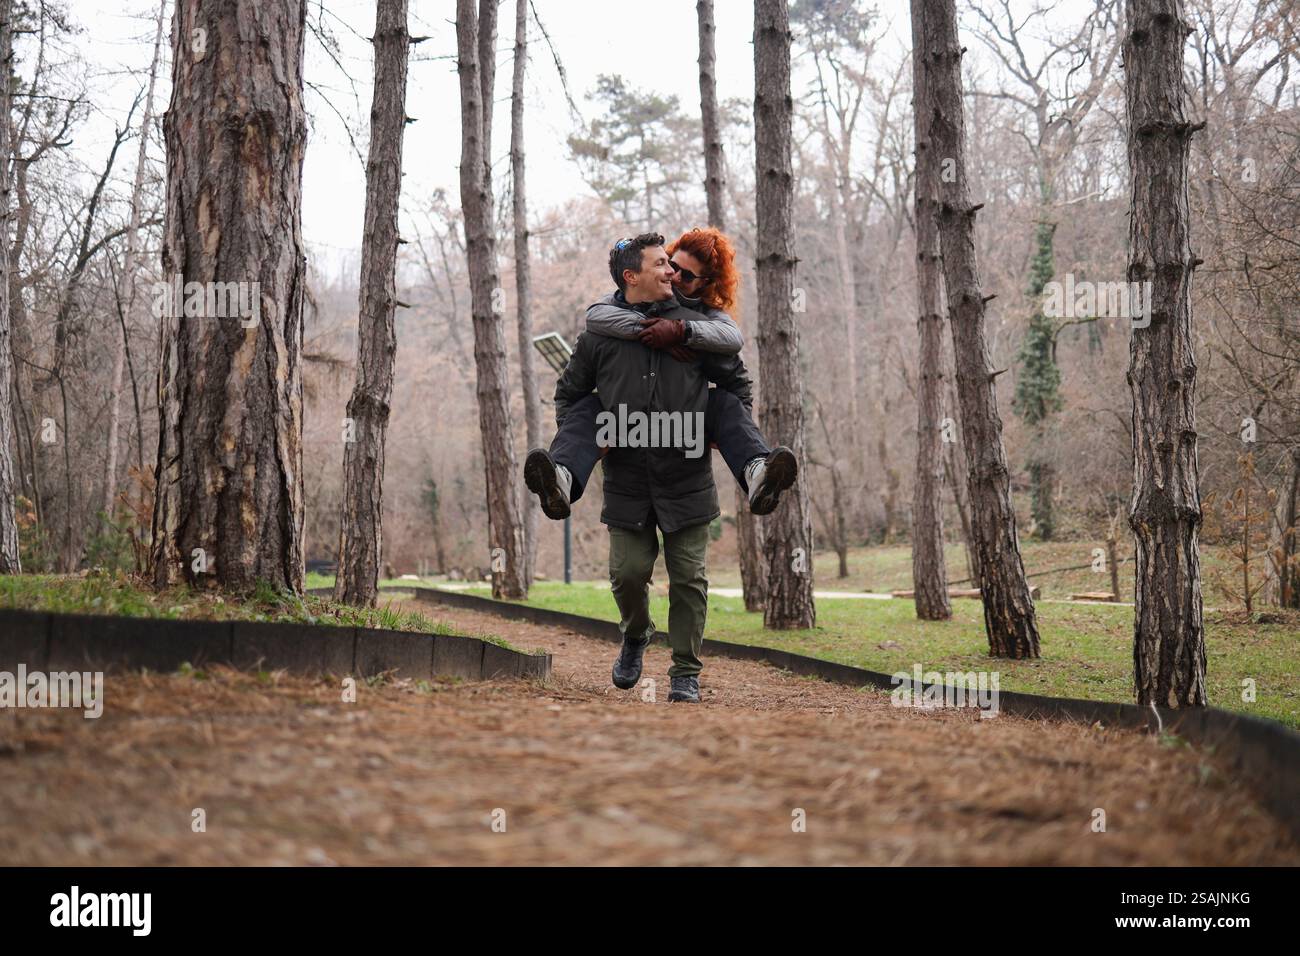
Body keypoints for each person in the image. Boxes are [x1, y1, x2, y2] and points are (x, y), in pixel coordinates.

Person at [545, 233, 757, 702]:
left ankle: (685, 673)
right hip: (628, 481)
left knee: (688, 579)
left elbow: (737, 389)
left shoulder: (698, 326)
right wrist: (588, 441)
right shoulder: (602, 332)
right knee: (627, 574)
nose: (672, 275)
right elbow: (571, 394)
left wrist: (719, 428)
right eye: (664, 266)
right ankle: (636, 635)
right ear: (631, 277)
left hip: (687, 478)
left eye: (679, 270)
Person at [523, 226, 796, 523]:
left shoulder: (706, 321)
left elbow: (733, 351)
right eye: (671, 264)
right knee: (589, 407)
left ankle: (758, 470)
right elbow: (595, 317)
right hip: (626, 433)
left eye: (687, 276)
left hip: (684, 437)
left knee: (723, 402)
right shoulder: (612, 312)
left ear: (705, 285)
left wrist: (682, 332)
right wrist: (647, 330)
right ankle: (561, 476)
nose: (674, 275)